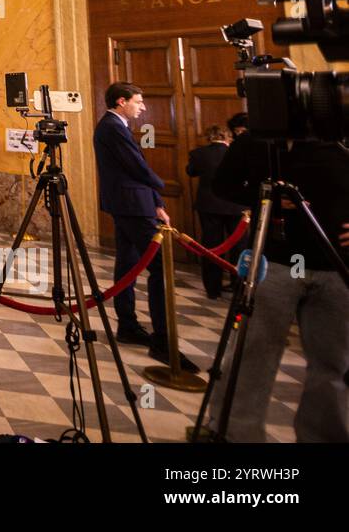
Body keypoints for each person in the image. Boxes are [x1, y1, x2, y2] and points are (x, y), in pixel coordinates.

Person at [203, 132, 349, 442]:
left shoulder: (341, 138)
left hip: (336, 264)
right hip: (275, 259)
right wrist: (262, 195)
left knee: (334, 361)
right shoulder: (259, 137)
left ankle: (325, 435)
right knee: (255, 352)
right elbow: (223, 185)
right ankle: (235, 432)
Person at [93, 82, 199, 371]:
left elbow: (135, 165)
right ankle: (163, 341)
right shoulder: (112, 127)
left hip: (132, 202)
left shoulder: (117, 125)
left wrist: (156, 201)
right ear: (120, 101)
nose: (143, 107)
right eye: (137, 102)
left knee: (127, 265)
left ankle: (128, 325)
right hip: (130, 204)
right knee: (160, 270)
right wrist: (160, 184)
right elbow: (136, 166)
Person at [186, 124, 247, 299]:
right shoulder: (237, 153)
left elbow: (191, 172)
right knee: (239, 247)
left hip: (209, 206)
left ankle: (213, 288)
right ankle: (239, 286)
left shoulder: (199, 153)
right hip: (236, 205)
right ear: (227, 137)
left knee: (211, 246)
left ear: (209, 137)